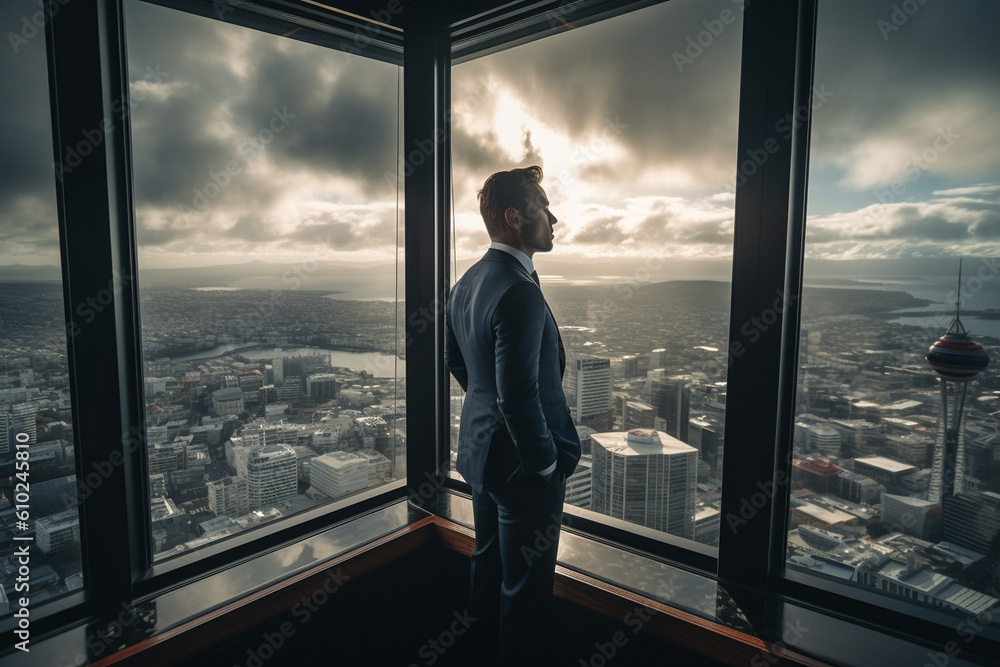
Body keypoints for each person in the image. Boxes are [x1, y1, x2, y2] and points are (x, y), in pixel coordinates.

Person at [445, 165, 581, 665]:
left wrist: (490, 412)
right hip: (525, 469)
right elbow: (520, 394)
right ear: (514, 218)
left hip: (483, 457)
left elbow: (457, 362)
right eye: (543, 207)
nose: (553, 218)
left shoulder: (466, 283)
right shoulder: (519, 289)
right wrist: (544, 464)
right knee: (526, 595)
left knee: (488, 570)